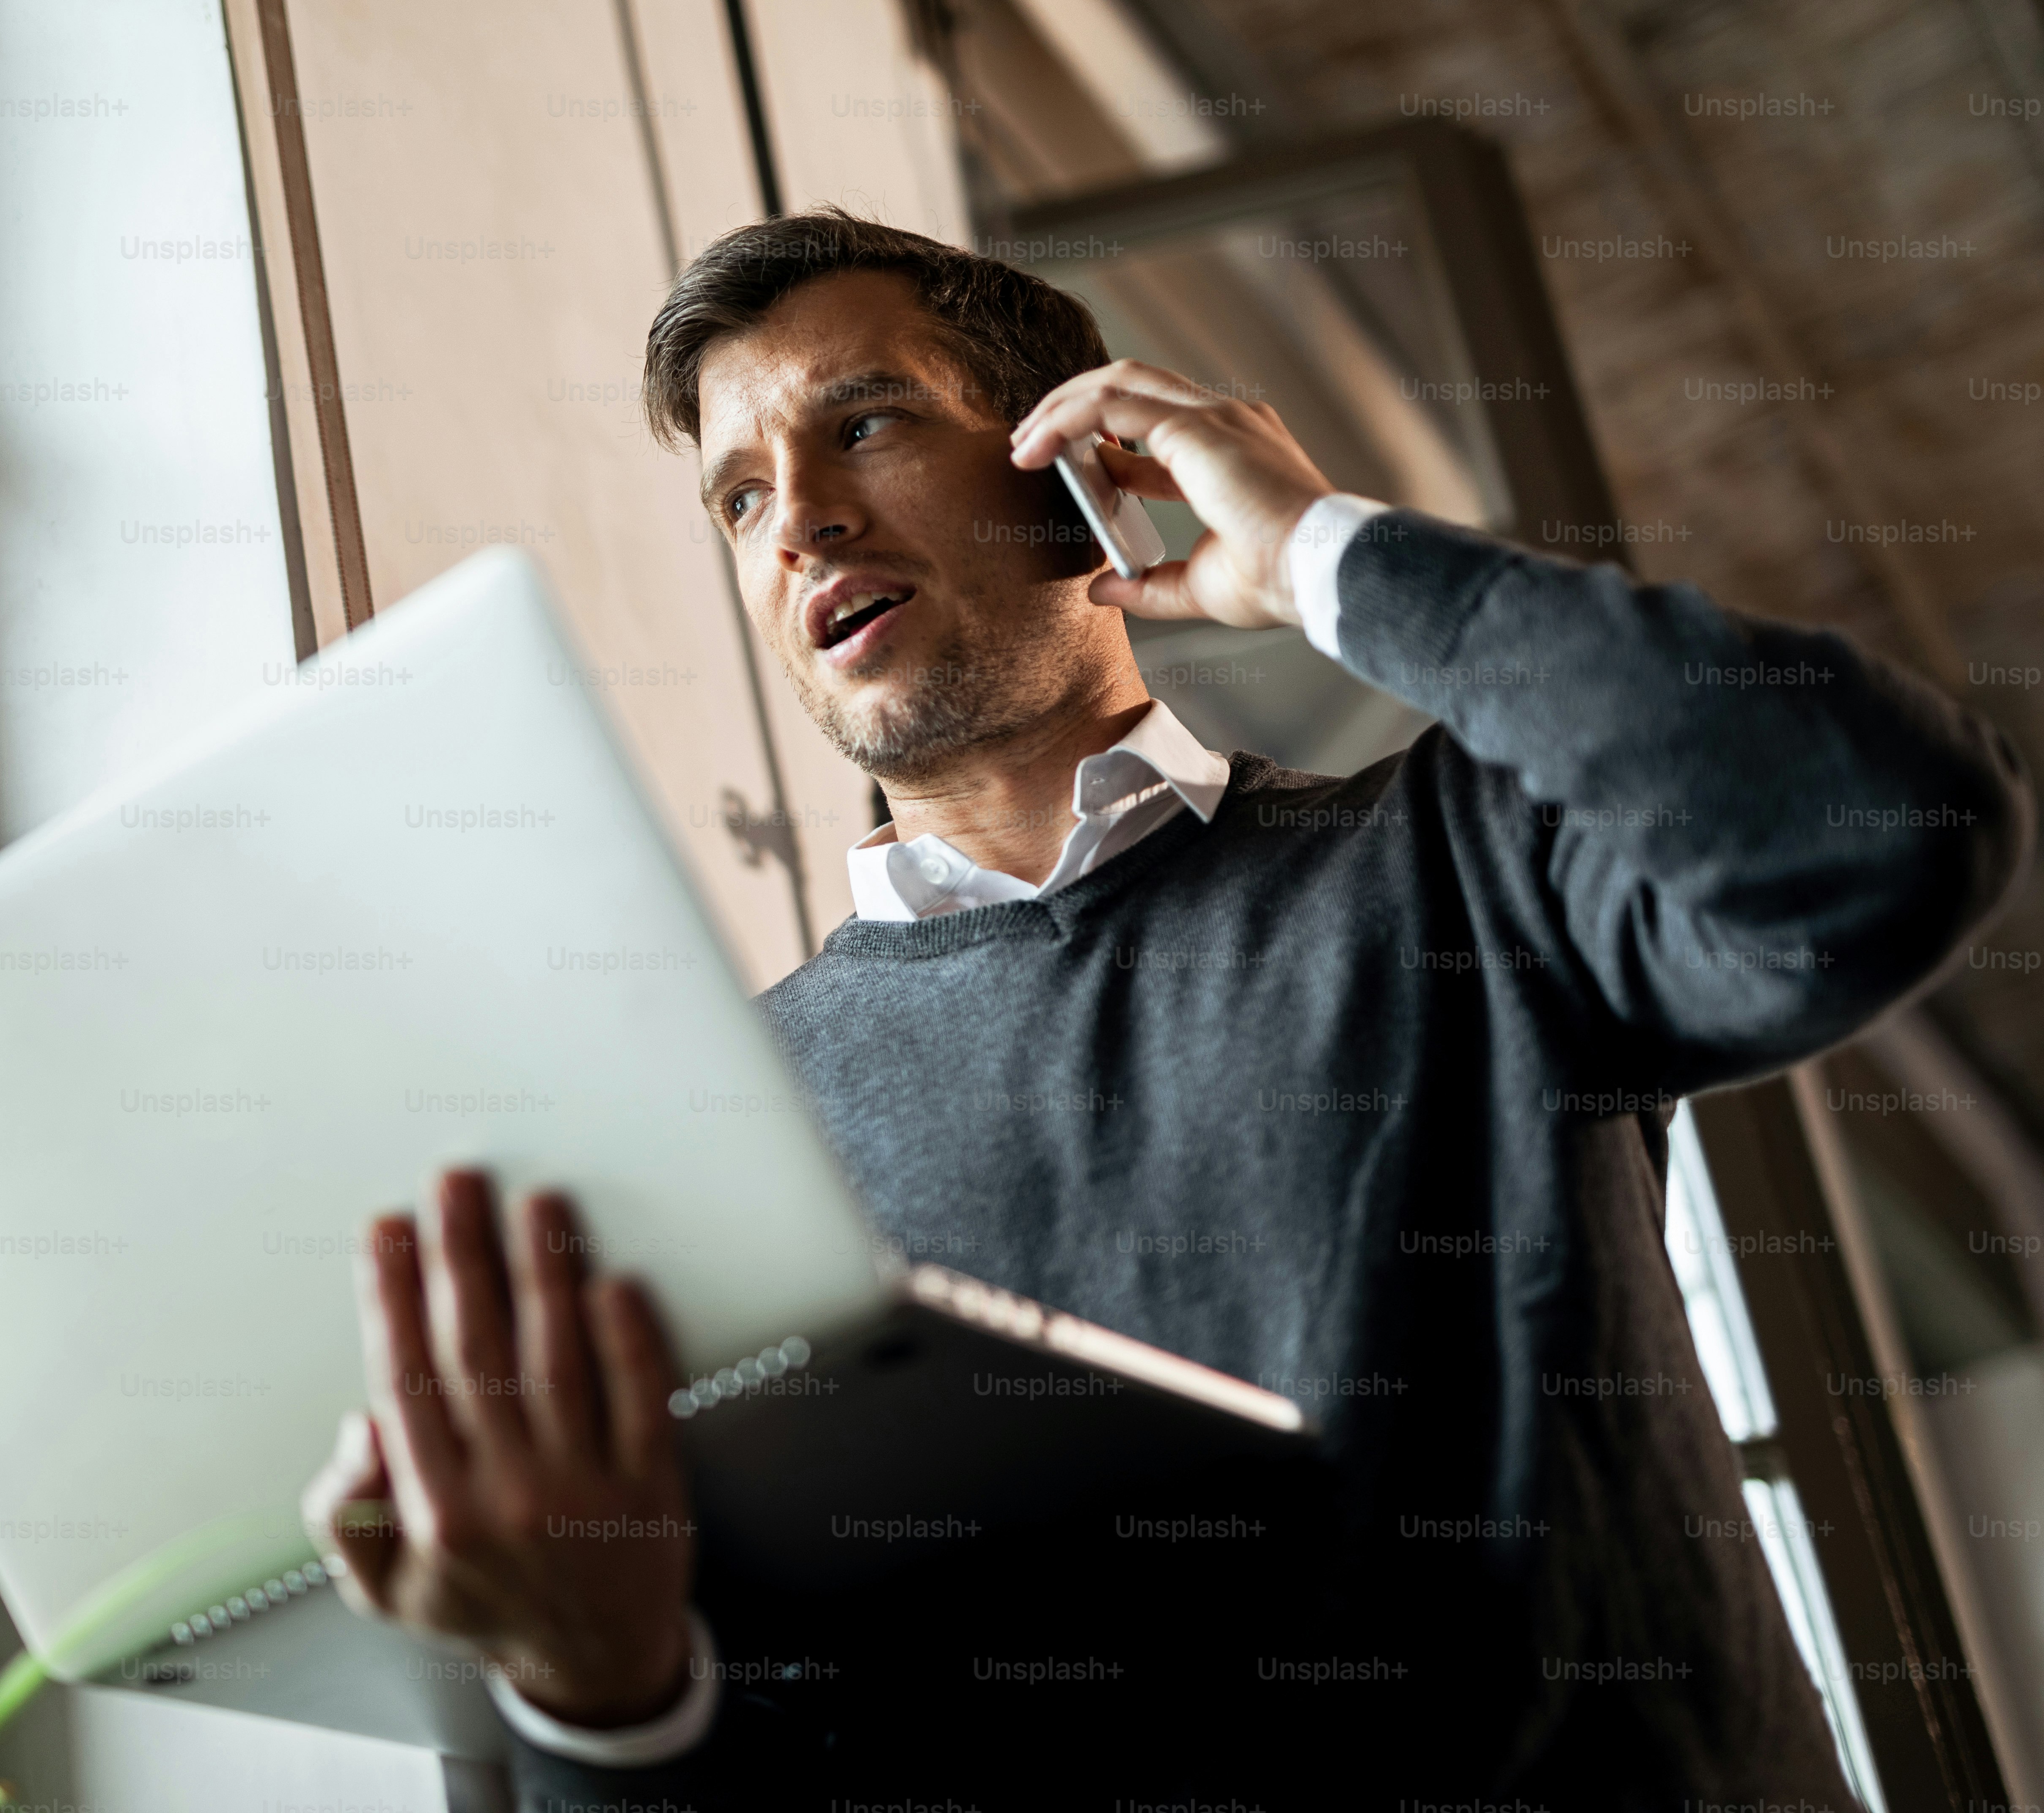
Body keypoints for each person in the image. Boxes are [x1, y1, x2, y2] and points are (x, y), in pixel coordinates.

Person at [298, 210, 2030, 1807]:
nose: (801, 516)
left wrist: (1324, 560)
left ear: (1075, 464)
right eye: (740, 496)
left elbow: (1877, 837)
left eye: (869, 422)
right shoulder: (712, 1128)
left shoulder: (1458, 871)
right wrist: (601, 1698)